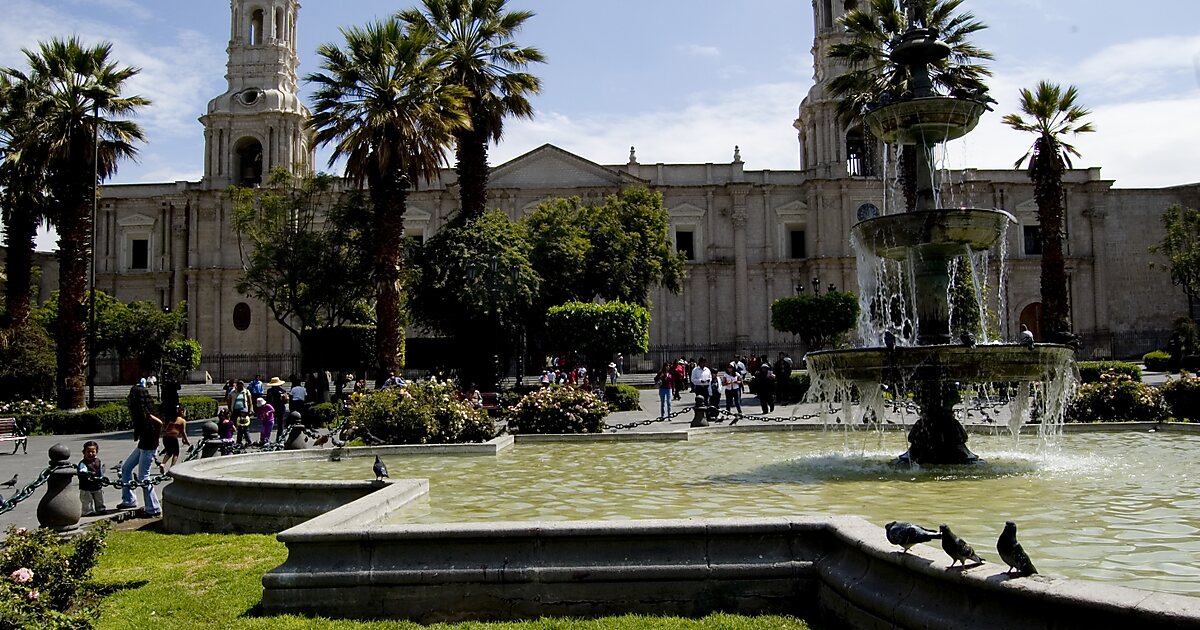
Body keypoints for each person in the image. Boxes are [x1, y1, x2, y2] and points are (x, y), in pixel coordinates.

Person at [118, 383, 164, 517]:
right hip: (143, 446)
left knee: (144, 477)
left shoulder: (146, 414)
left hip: (148, 448)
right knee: (126, 468)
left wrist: (154, 438)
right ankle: (129, 500)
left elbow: (160, 423)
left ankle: (153, 508)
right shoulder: (140, 413)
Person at [77, 441, 106, 517]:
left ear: (96, 452)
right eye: (88, 452)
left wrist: (102, 477)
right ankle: (87, 511)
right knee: (87, 499)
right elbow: (82, 471)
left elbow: (101, 470)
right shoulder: (83, 463)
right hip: (86, 486)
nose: (90, 454)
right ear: (84, 452)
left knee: (99, 498)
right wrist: (86, 473)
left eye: (93, 452)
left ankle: (100, 508)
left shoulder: (98, 461)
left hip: (97, 485)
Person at [161, 406, 191, 470]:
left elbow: (168, 429)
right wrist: (187, 441)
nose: (185, 413)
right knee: (176, 453)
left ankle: (162, 464)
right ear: (182, 412)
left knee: (169, 452)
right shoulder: (182, 420)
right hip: (173, 437)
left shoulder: (172, 419)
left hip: (165, 437)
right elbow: (183, 432)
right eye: (185, 412)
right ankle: (172, 468)